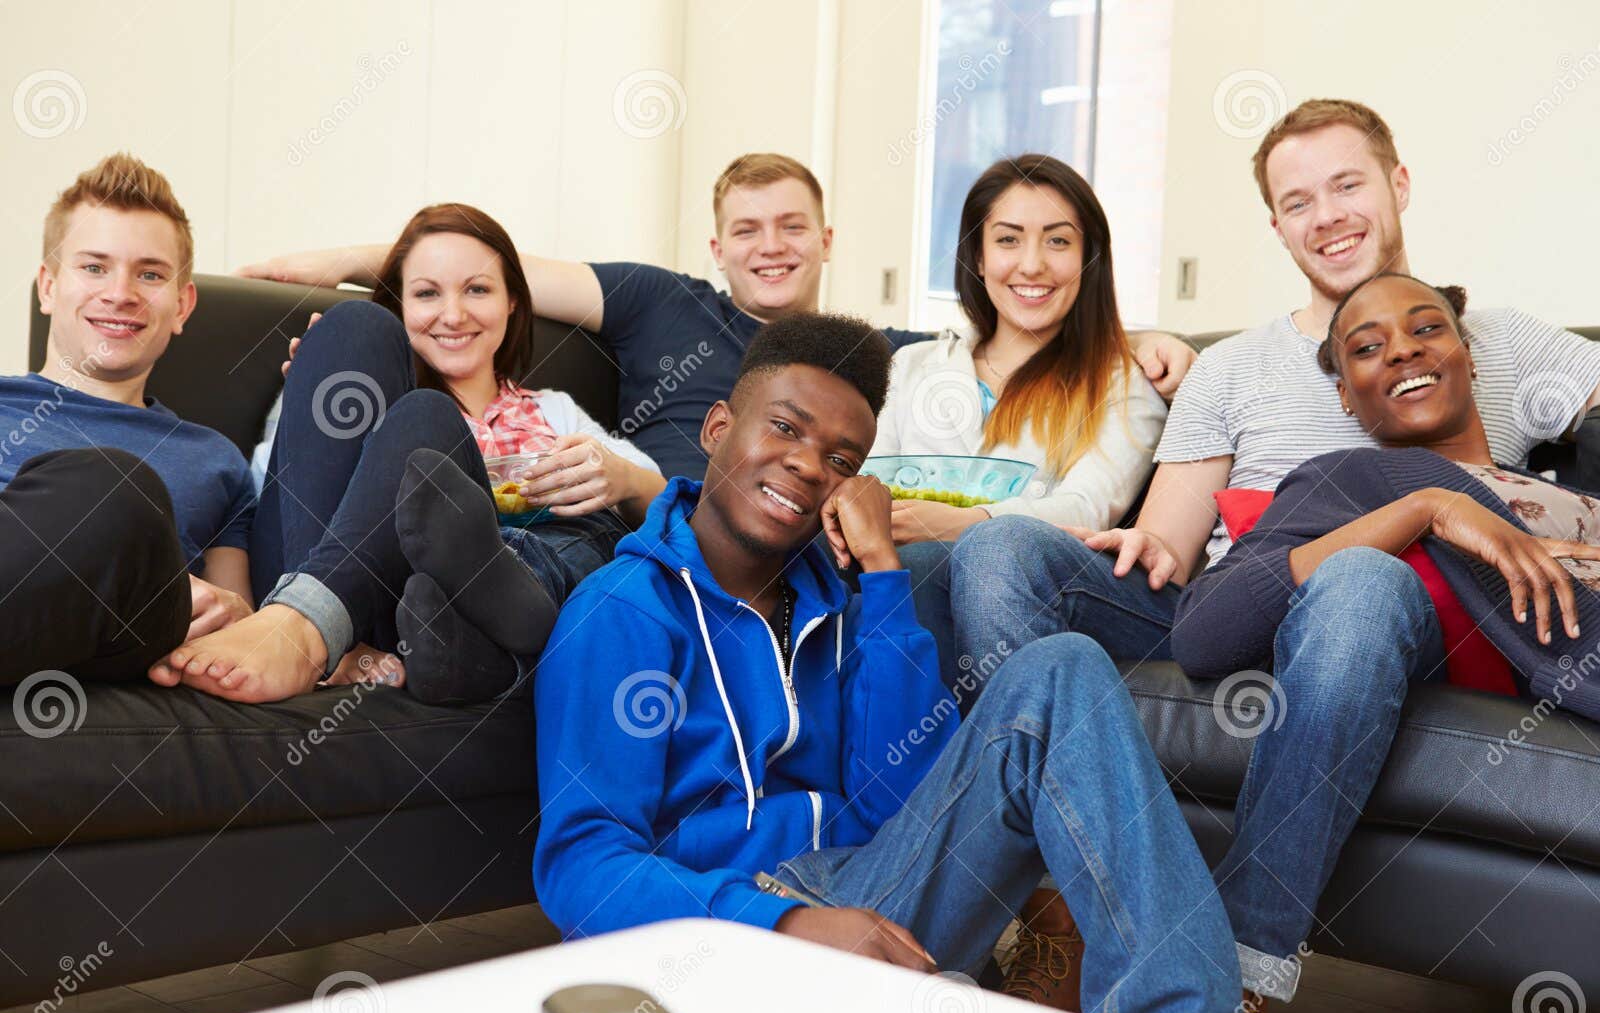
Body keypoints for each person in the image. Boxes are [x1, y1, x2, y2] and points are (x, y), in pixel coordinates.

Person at [527, 312, 1251, 1013]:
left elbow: (898, 805)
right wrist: (788, 924)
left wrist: (880, 573)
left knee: (1060, 668)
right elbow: (584, 868)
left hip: (867, 901)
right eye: (783, 427)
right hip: (723, 943)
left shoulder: (839, 603)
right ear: (717, 428)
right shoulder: (622, 612)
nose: (809, 465)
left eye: (840, 459)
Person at [949, 99, 1600, 678]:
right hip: (1238, 614)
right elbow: (1166, 556)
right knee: (997, 546)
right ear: (1278, 227)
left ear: (1399, 185)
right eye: (1298, 203)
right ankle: (1038, 794)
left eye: (1348, 185)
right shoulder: (1229, 366)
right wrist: (1147, 543)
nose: (1327, 217)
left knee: (1360, 588)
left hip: (1410, 615)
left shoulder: (1495, 340)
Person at [1165, 273, 1600, 1013]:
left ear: (1467, 354)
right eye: (1365, 347)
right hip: (1394, 655)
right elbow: (1207, 634)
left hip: (1560, 673)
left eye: (1427, 328)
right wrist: (1425, 508)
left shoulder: (1575, 500)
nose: (1402, 347)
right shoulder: (1349, 481)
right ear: (1345, 397)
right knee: (1365, 579)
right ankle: (1229, 988)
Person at [235, 153, 1199, 481]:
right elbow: (492, 272)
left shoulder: (877, 354)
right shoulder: (661, 298)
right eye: (748, 229)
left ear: (828, 240)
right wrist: (354, 264)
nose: (770, 245)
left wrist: (1142, 340)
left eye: (791, 227)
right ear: (718, 246)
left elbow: (1013, 337)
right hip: (646, 519)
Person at [155, 204, 664, 705]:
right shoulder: (364, 385)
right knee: (384, 365)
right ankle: (316, 626)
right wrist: (314, 410)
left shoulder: (554, 412)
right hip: (315, 569)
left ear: (512, 301)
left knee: (436, 444)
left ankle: (431, 644)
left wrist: (625, 479)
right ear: (401, 305)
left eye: (478, 289)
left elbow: (665, 505)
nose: (453, 314)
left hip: (432, 603)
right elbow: (274, 499)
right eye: (426, 294)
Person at [873, 153, 1164, 687]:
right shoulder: (911, 367)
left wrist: (959, 524)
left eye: (1058, 241)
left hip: (1040, 587)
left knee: (923, 567)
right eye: (1008, 239)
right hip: (903, 581)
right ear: (979, 259)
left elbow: (1086, 508)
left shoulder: (1125, 382)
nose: (1032, 264)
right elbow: (869, 484)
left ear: (1088, 260)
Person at [0, 153, 255, 686]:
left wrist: (230, 608)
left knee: (114, 487)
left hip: (122, 659)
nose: (120, 294)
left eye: (150, 274)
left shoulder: (215, 460)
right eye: (94, 267)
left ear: (182, 306)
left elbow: (239, 630)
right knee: (103, 484)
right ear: (48, 287)